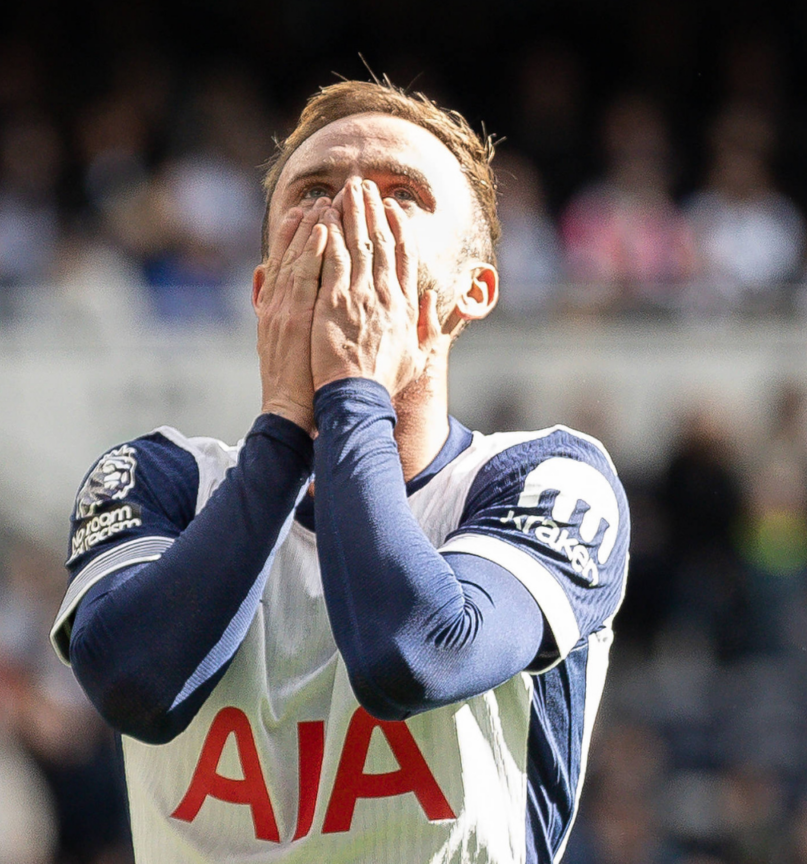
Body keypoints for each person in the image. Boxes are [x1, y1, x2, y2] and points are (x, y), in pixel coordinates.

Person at [49, 80, 631, 863]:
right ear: (264, 287)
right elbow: (134, 686)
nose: (349, 212)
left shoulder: (548, 480)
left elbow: (416, 657)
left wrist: (351, 393)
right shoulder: (160, 478)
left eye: (401, 194)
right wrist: (289, 425)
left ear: (474, 290)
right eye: (315, 189)